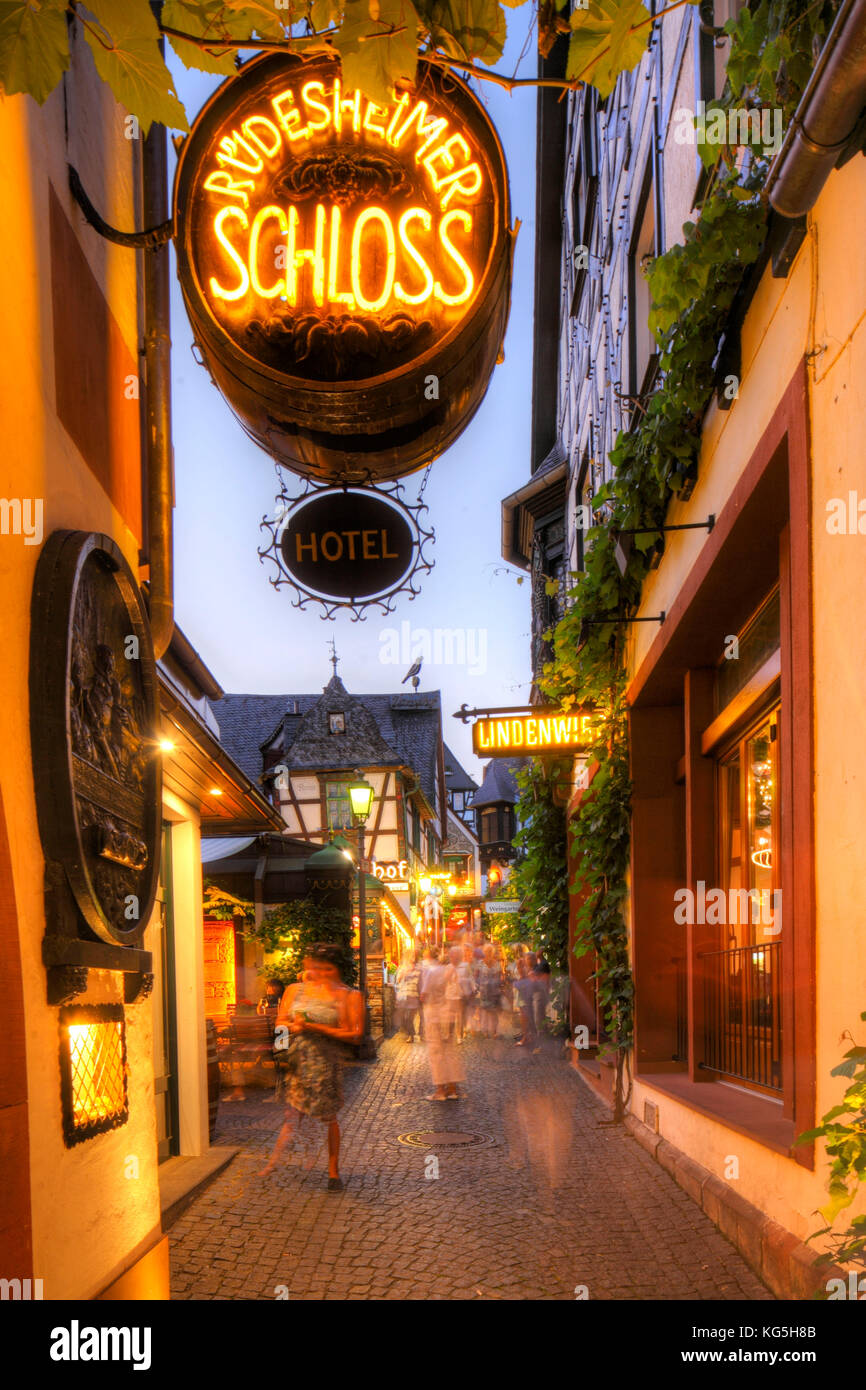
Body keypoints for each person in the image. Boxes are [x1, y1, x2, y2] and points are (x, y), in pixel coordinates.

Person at [259, 943, 363, 1189]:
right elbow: (280, 1022)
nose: (320, 973)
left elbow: (354, 1034)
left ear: (337, 970)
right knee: (292, 1114)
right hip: (296, 1062)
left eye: (327, 969)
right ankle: (274, 1162)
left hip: (325, 1065)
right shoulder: (295, 990)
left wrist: (313, 1026)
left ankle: (333, 1170)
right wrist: (281, 1054)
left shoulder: (347, 995)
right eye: (316, 967)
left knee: (329, 1117)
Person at [420, 949, 465, 1101]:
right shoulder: (453, 972)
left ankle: (440, 1090)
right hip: (449, 1016)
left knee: (436, 1053)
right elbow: (457, 994)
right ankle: (452, 1089)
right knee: (450, 1051)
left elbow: (424, 995)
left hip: (434, 1017)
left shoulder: (431, 972)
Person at [477, 944, 504, 1037]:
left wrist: (499, 984)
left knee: (493, 1012)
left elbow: (500, 977)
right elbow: (476, 976)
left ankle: (494, 1031)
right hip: (483, 991)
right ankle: (484, 1030)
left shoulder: (497, 964)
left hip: (494, 991)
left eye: (490, 952)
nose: (488, 953)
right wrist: (478, 986)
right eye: (486, 952)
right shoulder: (480, 964)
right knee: (484, 1012)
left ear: (492, 953)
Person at [395, 954, 421, 1041]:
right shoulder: (403, 969)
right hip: (404, 996)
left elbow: (421, 983)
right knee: (404, 1018)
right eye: (410, 961)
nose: (412, 963)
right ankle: (411, 1033)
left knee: (410, 1017)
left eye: (413, 961)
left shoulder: (418, 971)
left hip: (414, 997)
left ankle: (411, 1036)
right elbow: (398, 980)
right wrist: (404, 973)